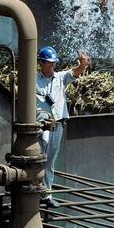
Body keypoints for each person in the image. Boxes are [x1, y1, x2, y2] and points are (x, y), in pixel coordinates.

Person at [36, 45, 90, 203]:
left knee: (50, 161)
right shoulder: (34, 80)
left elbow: (75, 72)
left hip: (57, 124)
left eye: (54, 63)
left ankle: (47, 194)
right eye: (50, 63)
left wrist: (82, 65)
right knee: (42, 151)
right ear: (42, 63)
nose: (53, 65)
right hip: (41, 125)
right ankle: (39, 190)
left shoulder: (60, 77)